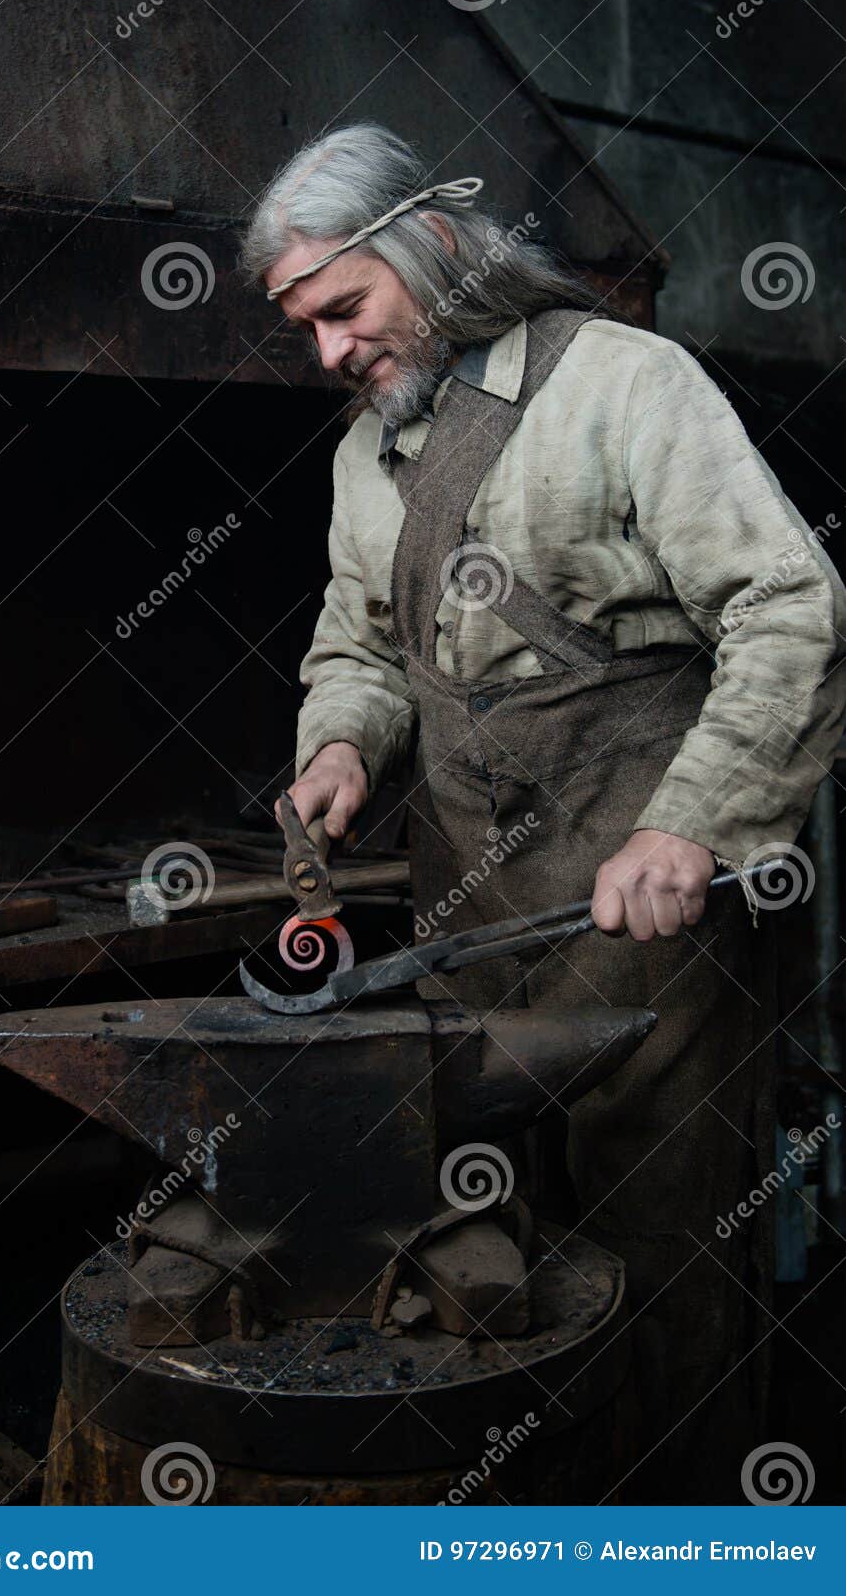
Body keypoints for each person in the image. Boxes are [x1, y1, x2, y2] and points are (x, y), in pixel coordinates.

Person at [240, 122, 846, 1500]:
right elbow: (359, 642)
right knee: (499, 1246)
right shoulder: (364, 456)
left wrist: (693, 821)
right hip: (470, 902)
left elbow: (790, 607)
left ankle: (684, 1527)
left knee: (658, 1235)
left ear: (431, 246)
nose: (327, 351)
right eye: (307, 327)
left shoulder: (630, 386)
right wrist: (340, 743)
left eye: (345, 308)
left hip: (640, 897)